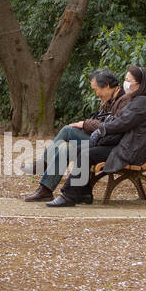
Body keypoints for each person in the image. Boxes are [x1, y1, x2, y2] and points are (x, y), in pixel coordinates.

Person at [47, 65, 146, 207]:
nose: (125, 83)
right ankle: (84, 193)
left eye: (129, 80)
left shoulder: (142, 102)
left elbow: (122, 123)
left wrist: (101, 130)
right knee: (80, 149)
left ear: (140, 83)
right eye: (125, 79)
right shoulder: (137, 100)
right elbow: (121, 121)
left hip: (130, 151)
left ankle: (69, 196)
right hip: (124, 146)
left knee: (86, 154)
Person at [23, 70, 122, 201]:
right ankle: (45, 187)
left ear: (107, 86)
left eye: (96, 89)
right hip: (100, 138)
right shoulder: (111, 99)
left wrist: (85, 124)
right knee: (66, 141)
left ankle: (44, 168)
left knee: (68, 133)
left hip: (107, 143)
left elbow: (112, 126)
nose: (96, 94)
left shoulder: (122, 101)